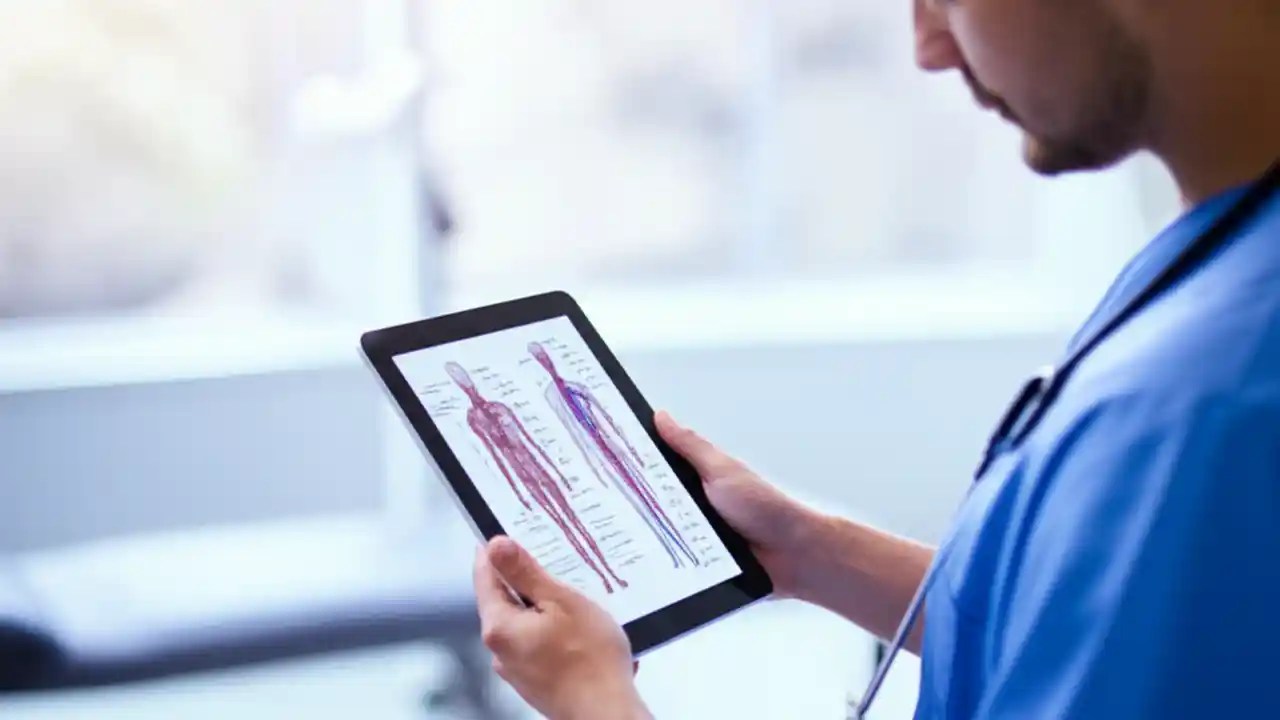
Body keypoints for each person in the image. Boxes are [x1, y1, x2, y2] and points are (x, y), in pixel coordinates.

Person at [471, 0, 1280, 717]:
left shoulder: (1204, 401)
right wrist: (812, 553)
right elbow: (1088, 626)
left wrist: (594, 701)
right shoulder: (1220, 258)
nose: (928, 44)